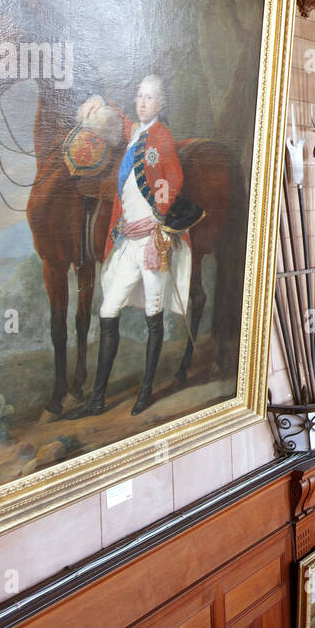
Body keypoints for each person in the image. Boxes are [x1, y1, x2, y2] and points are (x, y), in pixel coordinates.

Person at [76, 74, 195, 417]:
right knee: (108, 310)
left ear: (160, 105)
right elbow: (122, 120)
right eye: (139, 97)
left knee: (152, 315)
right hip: (129, 239)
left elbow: (175, 179)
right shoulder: (135, 134)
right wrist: (101, 103)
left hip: (153, 242)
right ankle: (97, 398)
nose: (142, 103)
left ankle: (145, 392)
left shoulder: (162, 136)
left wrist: (158, 221)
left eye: (148, 99)